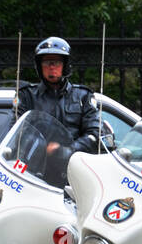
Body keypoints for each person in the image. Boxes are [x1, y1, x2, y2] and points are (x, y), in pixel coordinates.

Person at [14, 36, 102, 175]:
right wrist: (43, 148)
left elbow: (95, 134)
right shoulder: (27, 96)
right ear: (39, 66)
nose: (51, 67)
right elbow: (17, 134)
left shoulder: (83, 96)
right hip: (35, 172)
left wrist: (66, 150)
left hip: (74, 172)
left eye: (56, 62)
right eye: (47, 62)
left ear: (65, 65)